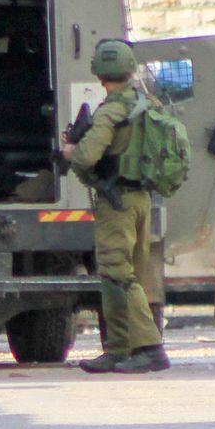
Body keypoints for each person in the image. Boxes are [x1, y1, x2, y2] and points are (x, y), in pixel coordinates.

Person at [62, 38, 169, 374]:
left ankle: (150, 347)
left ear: (99, 73)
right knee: (122, 275)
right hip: (142, 199)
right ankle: (119, 348)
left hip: (115, 202)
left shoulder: (110, 111)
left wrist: (69, 151)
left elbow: (86, 157)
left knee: (117, 273)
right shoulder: (149, 104)